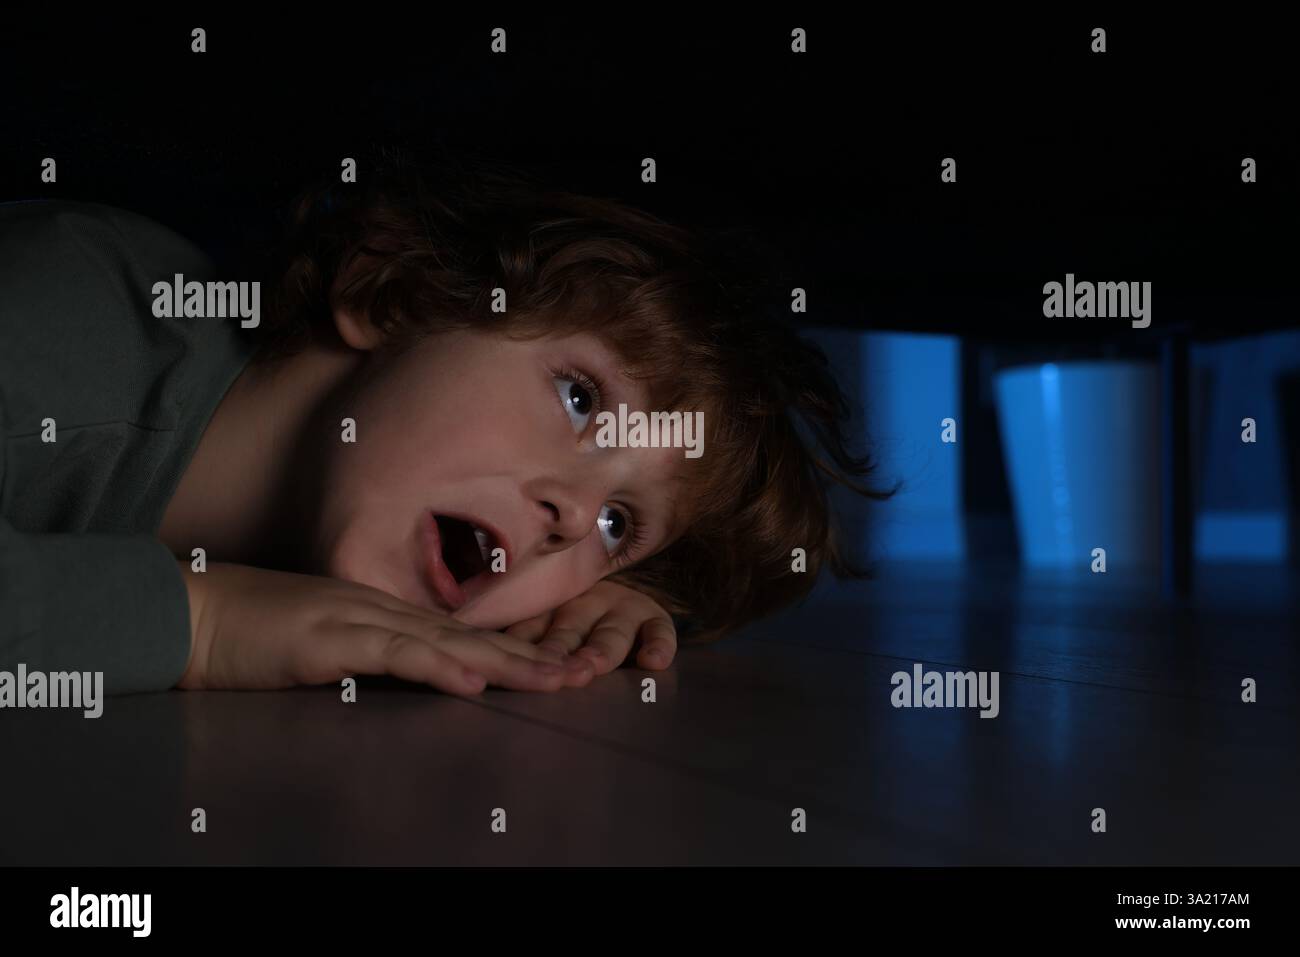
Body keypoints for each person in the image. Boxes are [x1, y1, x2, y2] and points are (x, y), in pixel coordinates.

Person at [0, 151, 891, 698]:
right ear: (386, 289)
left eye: (620, 525)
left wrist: (580, 609)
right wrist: (201, 623)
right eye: (581, 398)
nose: (578, 521)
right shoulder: (62, 320)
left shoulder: (414, 505)